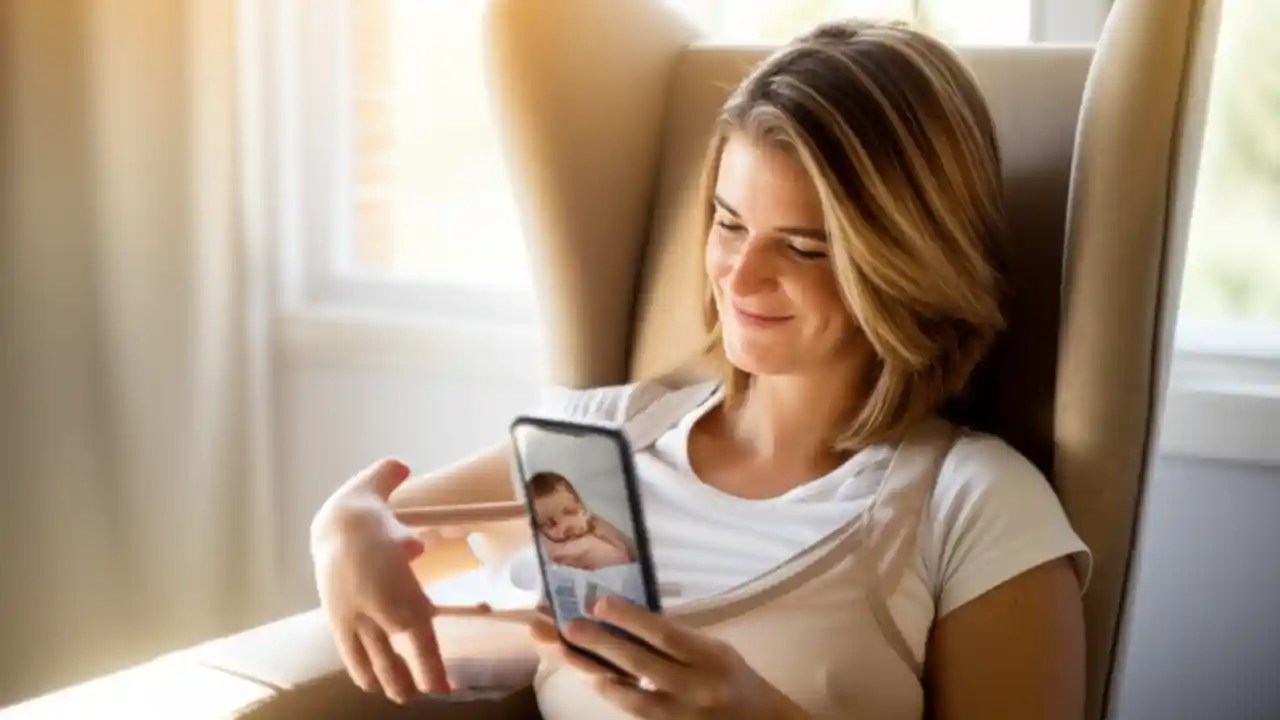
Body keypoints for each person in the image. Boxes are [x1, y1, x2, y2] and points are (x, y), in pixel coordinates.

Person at [310, 19, 1091, 719]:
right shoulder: (598, 443)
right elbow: (389, 520)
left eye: (804, 246)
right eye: (728, 221)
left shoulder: (973, 505)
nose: (740, 276)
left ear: (911, 261)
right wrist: (341, 531)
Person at [528, 471, 637, 570]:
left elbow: (626, 548)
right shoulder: (554, 548)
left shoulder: (595, 523)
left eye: (570, 512)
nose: (565, 526)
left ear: (582, 508)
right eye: (551, 524)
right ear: (540, 530)